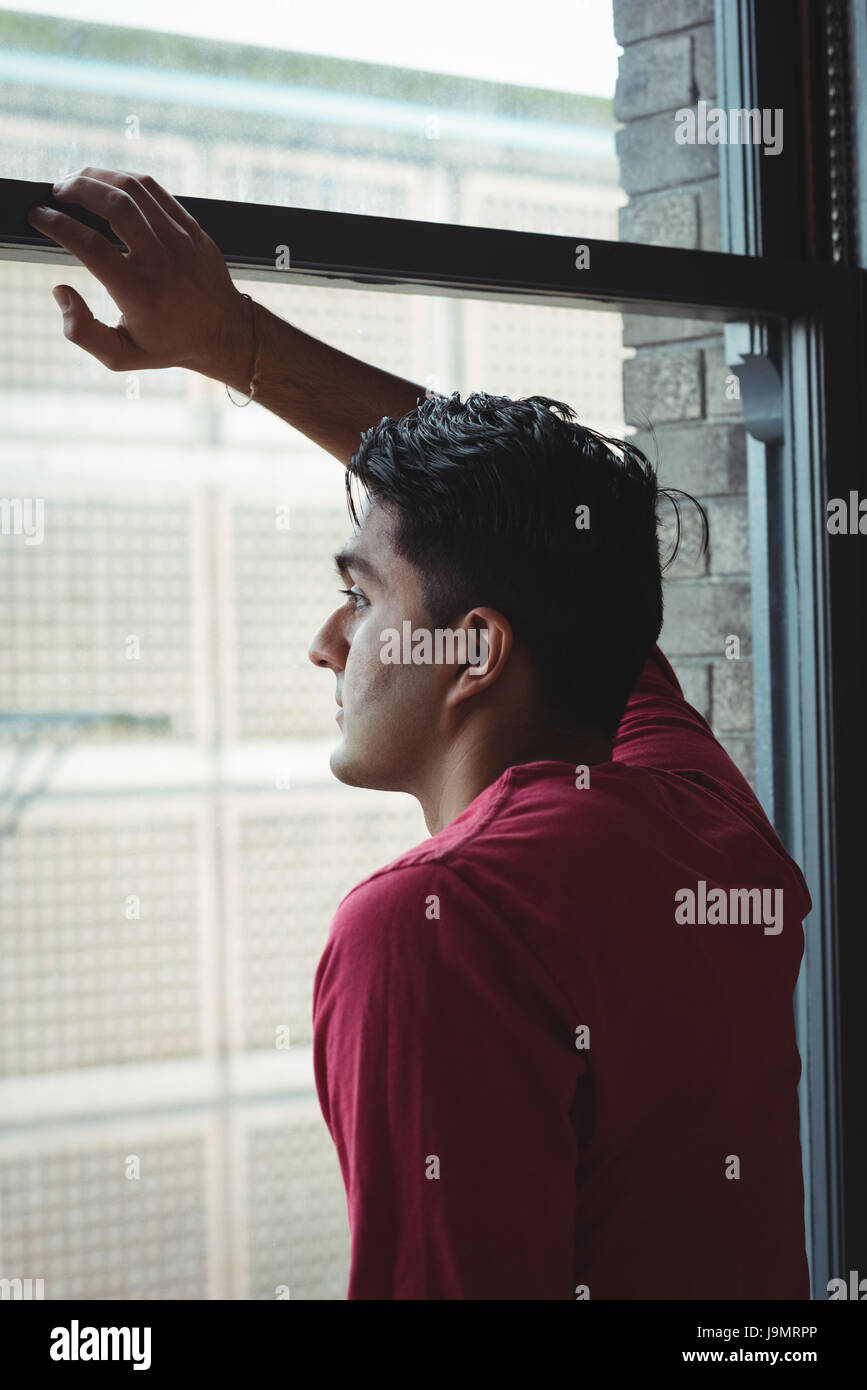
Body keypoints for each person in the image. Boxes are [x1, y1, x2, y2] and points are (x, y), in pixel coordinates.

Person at [30, 169, 812, 1300]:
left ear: (477, 653)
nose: (326, 641)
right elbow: (547, 546)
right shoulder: (708, 830)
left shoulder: (435, 926)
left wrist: (235, 340)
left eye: (361, 595)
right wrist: (230, 339)